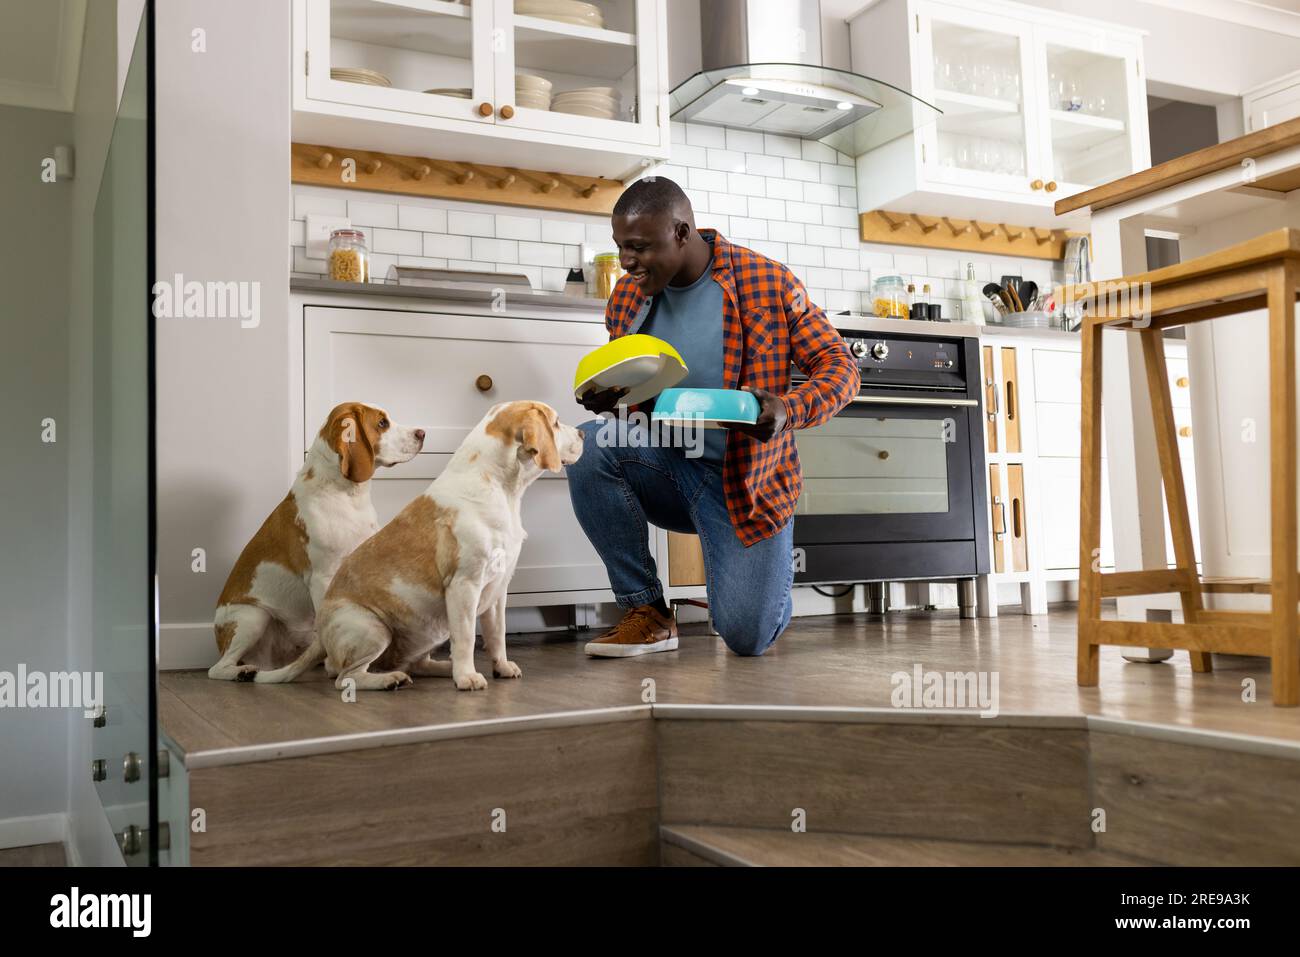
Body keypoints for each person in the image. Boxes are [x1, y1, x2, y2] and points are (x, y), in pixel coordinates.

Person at [567, 176, 859, 658]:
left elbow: (841, 367)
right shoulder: (625, 298)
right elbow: (636, 389)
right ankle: (648, 613)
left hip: (746, 483)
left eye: (639, 247)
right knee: (588, 445)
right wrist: (611, 399)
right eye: (621, 248)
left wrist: (787, 410)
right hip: (666, 467)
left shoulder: (766, 281)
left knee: (744, 636)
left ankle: (762, 586)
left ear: (682, 232)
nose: (627, 263)